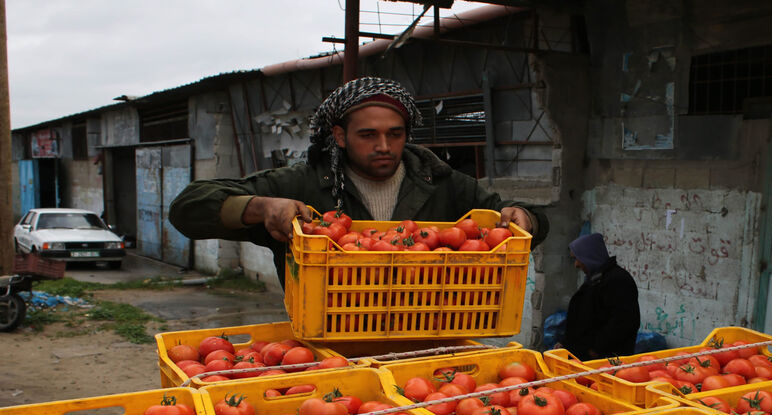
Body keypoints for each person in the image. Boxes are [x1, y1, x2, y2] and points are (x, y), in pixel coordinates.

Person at [169, 76, 547, 284]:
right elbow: (188, 209)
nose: (384, 146)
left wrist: (525, 219)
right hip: (331, 351)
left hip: (431, 340)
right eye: (368, 135)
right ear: (339, 136)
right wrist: (259, 208)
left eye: (395, 134)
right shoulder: (300, 186)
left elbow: (519, 221)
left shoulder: (444, 183)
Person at [561, 232, 640, 359]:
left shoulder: (618, 280)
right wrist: (565, 344)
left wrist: (597, 349)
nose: (576, 264)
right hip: (585, 357)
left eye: (577, 258)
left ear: (589, 256)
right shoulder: (596, 278)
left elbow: (623, 322)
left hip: (604, 360)